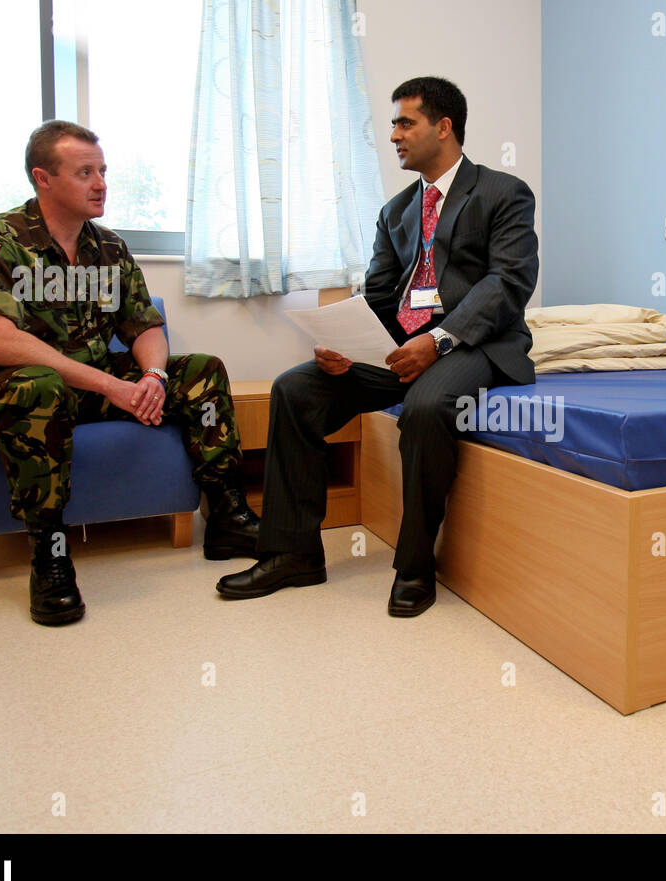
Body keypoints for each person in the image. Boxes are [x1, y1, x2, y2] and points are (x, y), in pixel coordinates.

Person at [218, 76, 539, 617]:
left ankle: (415, 566)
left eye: (404, 122)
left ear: (444, 127)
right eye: (393, 123)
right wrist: (343, 341)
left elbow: (507, 284)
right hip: (403, 346)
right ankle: (293, 554)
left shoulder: (503, 193)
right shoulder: (396, 212)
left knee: (427, 405)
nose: (393, 135)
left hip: (472, 345)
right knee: (296, 388)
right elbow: (382, 295)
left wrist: (438, 341)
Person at [0, 120, 260, 626]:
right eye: (84, 172)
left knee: (201, 370)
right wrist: (113, 385)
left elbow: (145, 326)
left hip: (87, 383)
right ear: (43, 178)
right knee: (39, 386)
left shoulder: (107, 248)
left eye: (103, 171)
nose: (101, 183)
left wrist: (152, 378)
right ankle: (49, 556)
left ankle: (226, 515)